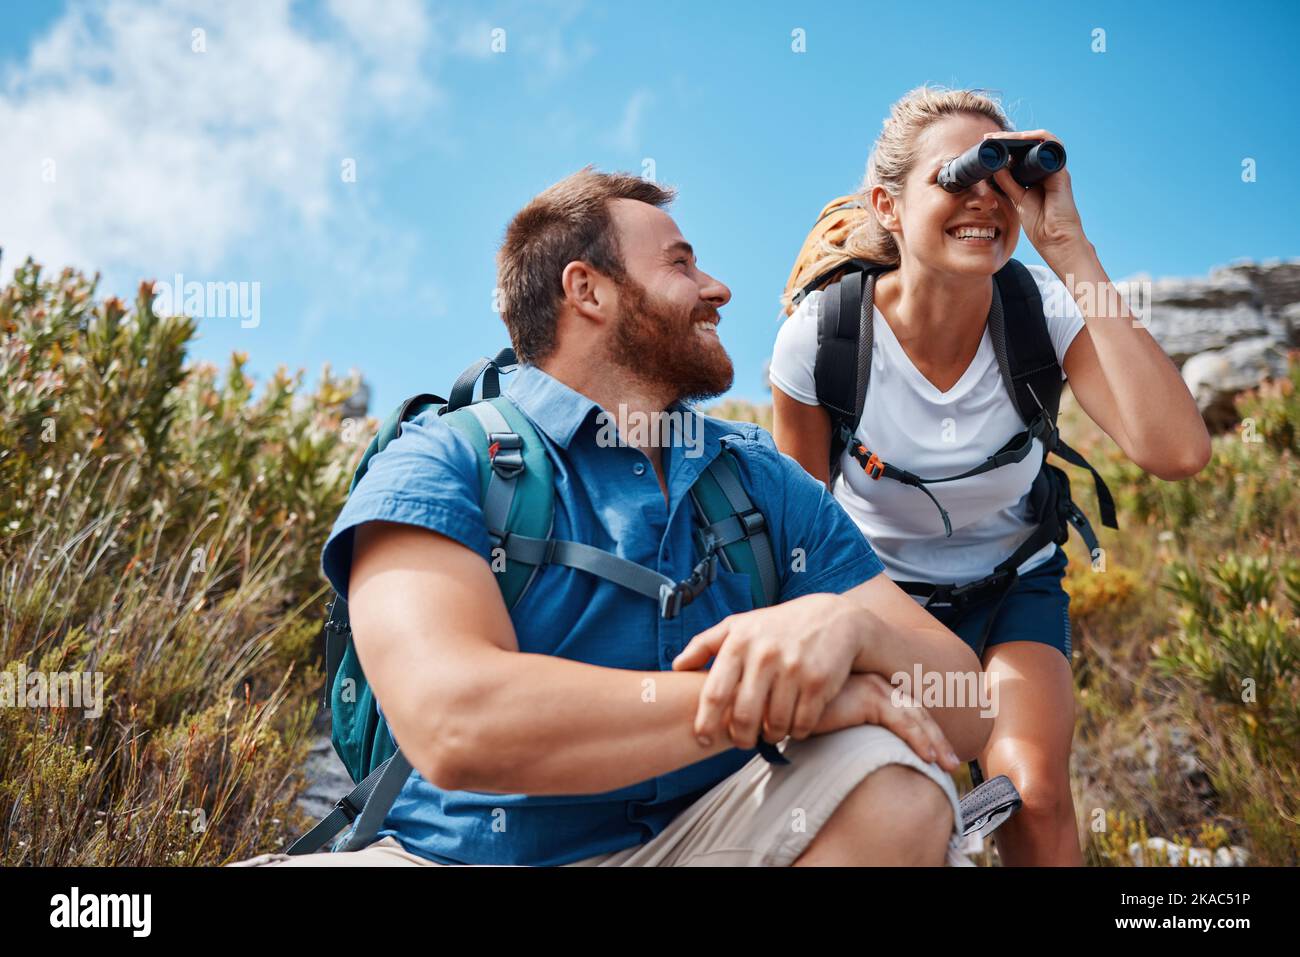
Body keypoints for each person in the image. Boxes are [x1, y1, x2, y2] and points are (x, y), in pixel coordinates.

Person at [229, 166, 992, 868]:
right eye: (682, 264)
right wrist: (754, 711)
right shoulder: (442, 460)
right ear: (587, 290)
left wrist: (856, 630)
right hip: (450, 859)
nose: (719, 288)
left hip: (703, 845)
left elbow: (967, 709)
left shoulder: (760, 479)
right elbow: (455, 722)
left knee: (895, 783)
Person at [768, 86, 1211, 866]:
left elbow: (1175, 451)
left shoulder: (1039, 309)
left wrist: (1068, 248)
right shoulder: (824, 338)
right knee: (906, 803)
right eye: (956, 175)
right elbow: (796, 541)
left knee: (1032, 796)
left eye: (1004, 176)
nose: (985, 195)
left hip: (1014, 586)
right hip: (884, 598)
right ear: (888, 205)